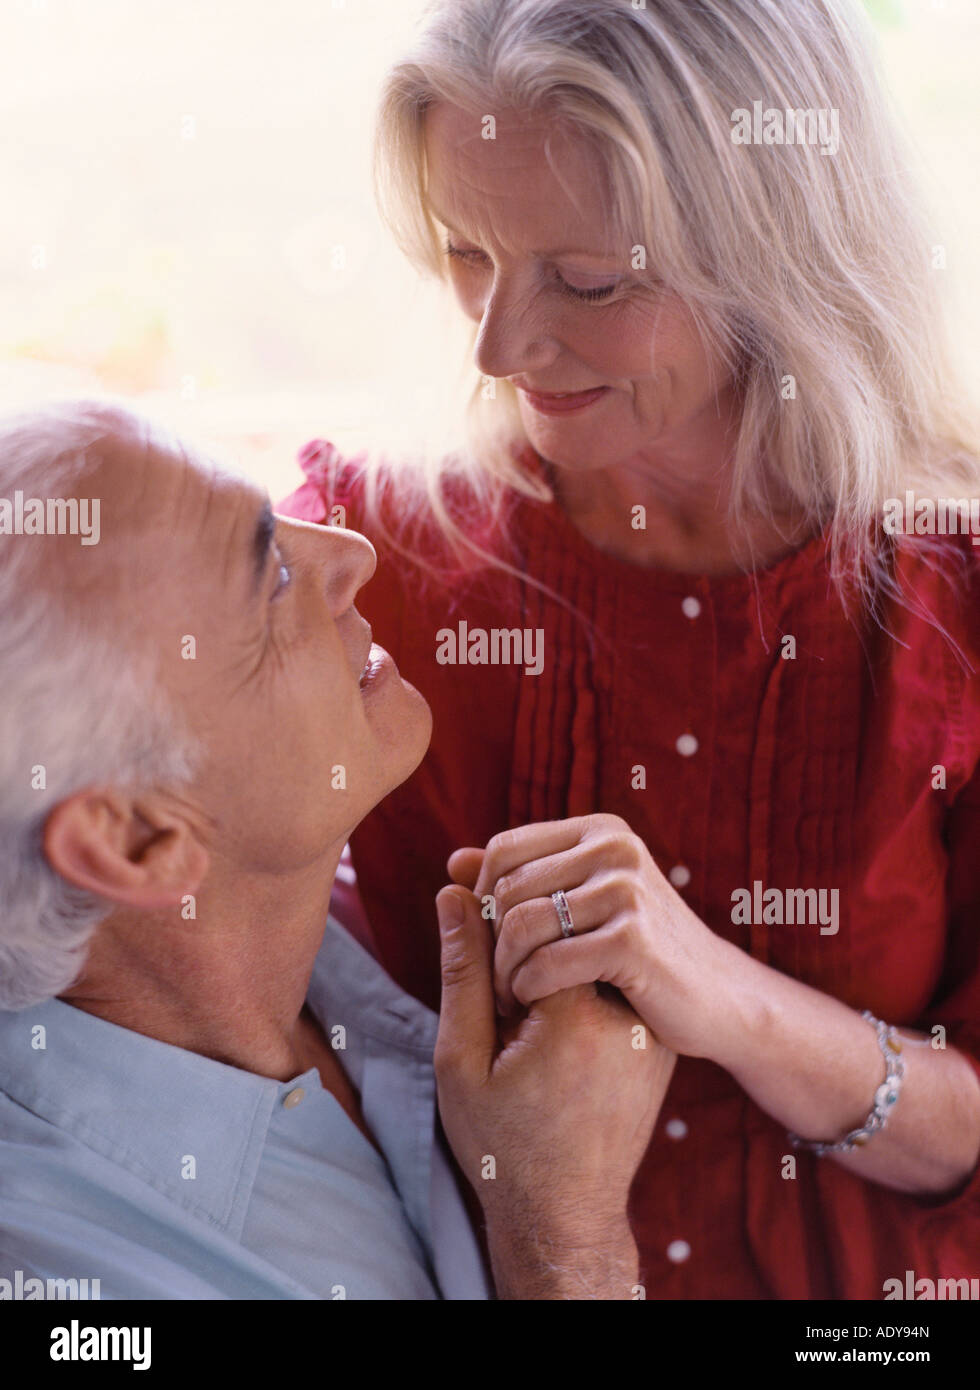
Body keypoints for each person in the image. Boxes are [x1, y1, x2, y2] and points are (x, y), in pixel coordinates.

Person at [279, 0, 980, 1298]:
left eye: (590, 282)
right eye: (465, 252)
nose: (496, 347)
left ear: (782, 247)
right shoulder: (367, 554)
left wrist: (718, 988)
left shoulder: (954, 592)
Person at [0, 399, 676, 1301]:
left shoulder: (341, 915)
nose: (351, 554)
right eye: (268, 571)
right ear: (136, 841)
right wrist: (565, 1235)